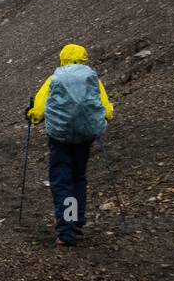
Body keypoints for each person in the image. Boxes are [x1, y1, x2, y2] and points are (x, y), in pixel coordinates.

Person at [26, 44, 115, 247]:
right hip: (85, 136)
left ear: (63, 58)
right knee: (78, 177)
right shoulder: (92, 78)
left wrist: (31, 116)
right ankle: (76, 222)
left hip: (60, 138)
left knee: (62, 181)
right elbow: (106, 108)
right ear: (84, 58)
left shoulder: (55, 78)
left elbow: (38, 110)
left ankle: (66, 231)